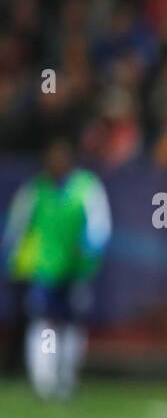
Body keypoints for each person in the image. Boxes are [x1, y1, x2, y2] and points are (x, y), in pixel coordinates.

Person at [2, 134, 111, 401]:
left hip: (75, 268)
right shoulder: (35, 190)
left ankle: (66, 376)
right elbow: (16, 228)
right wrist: (12, 259)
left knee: (71, 324)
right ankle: (45, 379)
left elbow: (100, 226)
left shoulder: (86, 187)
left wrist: (90, 252)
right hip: (45, 268)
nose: (56, 161)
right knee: (45, 322)